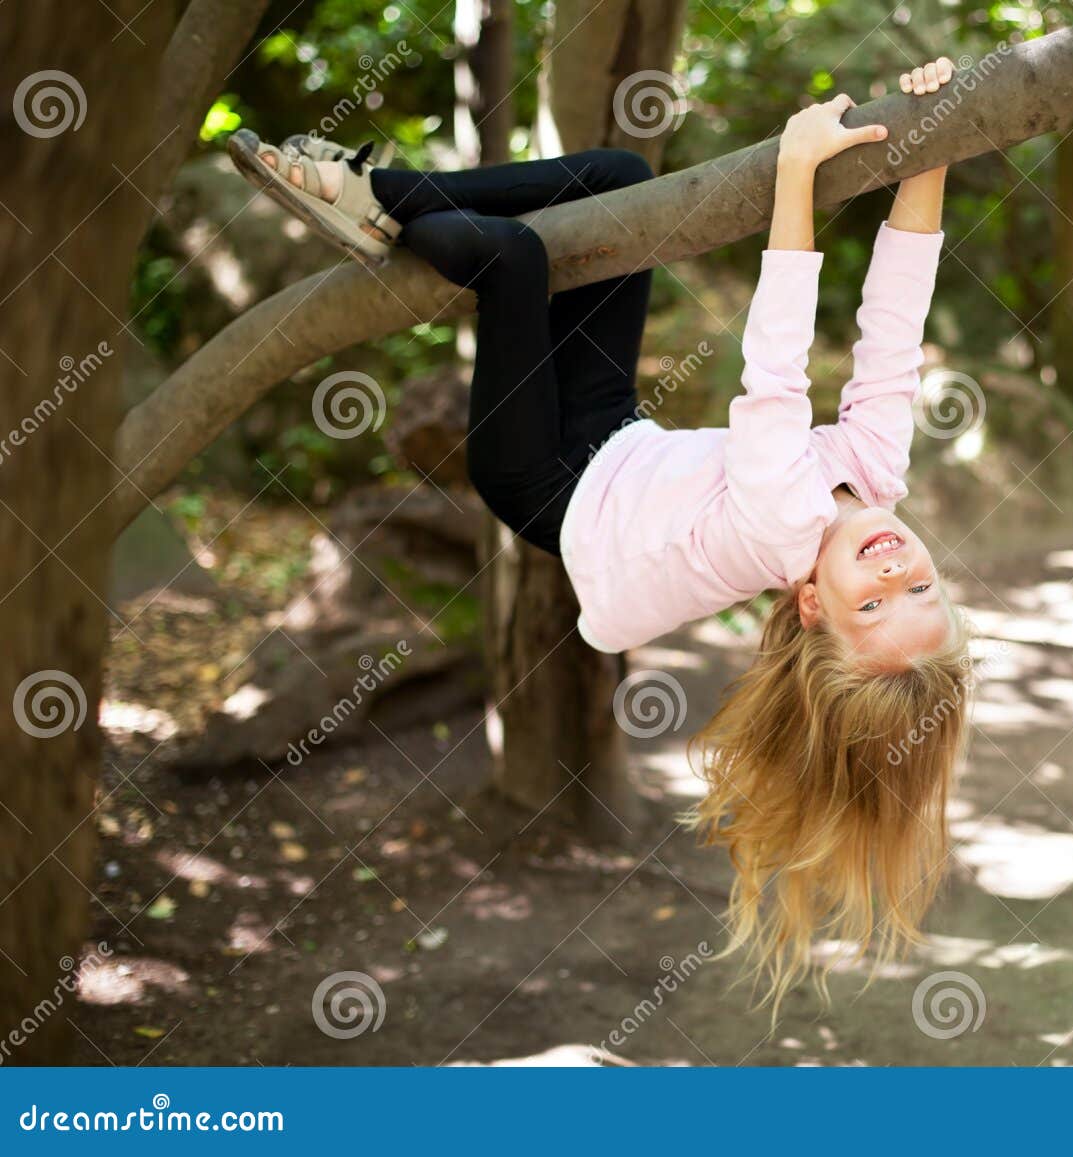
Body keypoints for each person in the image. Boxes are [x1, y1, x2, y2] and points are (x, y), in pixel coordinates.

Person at [229, 56, 972, 1010]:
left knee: (513, 262)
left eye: (874, 604)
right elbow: (893, 332)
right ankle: (374, 198)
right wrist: (934, 149)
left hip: (544, 484)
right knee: (621, 182)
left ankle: (383, 207)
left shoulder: (786, 520)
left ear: (812, 602)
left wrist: (797, 172)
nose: (898, 567)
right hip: (614, 429)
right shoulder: (875, 476)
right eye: (923, 590)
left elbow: (777, 366)